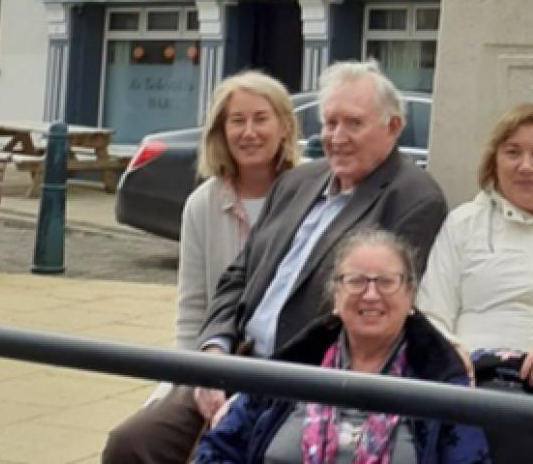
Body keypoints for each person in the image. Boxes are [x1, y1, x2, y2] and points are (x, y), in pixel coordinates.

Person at [103, 60, 449, 463]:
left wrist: (260, 387)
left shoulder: (412, 198)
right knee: (132, 444)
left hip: (302, 378)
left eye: (353, 123)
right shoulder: (298, 182)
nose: (337, 137)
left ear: (393, 127)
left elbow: (369, 309)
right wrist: (214, 350)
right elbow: (238, 277)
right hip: (235, 361)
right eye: (330, 122)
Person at [193, 229, 492, 464]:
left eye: (387, 282)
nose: (371, 295)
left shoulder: (440, 379)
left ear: (410, 296)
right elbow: (218, 449)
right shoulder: (291, 367)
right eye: (356, 281)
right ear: (336, 296)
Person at [416, 103, 533, 464]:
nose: (526, 166)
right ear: (494, 162)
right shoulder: (464, 224)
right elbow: (431, 313)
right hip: (481, 370)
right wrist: (453, 354)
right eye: (512, 152)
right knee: (501, 417)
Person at [137, 71, 301, 416]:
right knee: (133, 439)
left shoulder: (311, 196)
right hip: (215, 362)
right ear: (221, 132)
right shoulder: (202, 204)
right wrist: (180, 380)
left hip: (287, 369)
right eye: (237, 121)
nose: (249, 132)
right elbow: (192, 308)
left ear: (285, 126)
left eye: (261, 119)